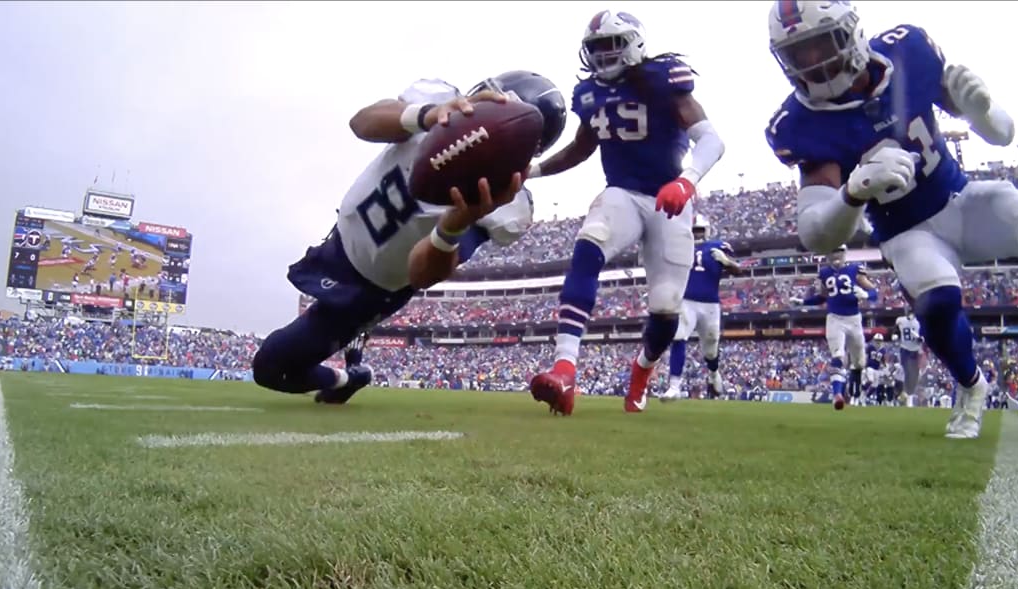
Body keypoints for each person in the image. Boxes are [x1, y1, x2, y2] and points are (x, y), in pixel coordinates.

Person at [763, 1, 1018, 440]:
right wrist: (852, 193)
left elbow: (1002, 135)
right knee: (936, 304)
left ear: (850, 32)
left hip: (959, 198)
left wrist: (983, 112)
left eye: (819, 46)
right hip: (906, 231)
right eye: (798, 55)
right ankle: (971, 388)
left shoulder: (908, 50)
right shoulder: (799, 123)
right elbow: (815, 235)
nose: (813, 64)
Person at [251, 72, 566, 404]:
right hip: (341, 243)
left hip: (372, 291)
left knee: (271, 366)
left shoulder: (506, 204)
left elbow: (420, 275)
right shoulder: (440, 101)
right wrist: (427, 116)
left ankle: (348, 377)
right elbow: (361, 123)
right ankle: (348, 372)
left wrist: (456, 224)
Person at [526, 10, 726, 415]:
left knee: (667, 309)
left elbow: (711, 139)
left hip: (671, 200)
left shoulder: (662, 78)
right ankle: (565, 368)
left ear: (634, 43)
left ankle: (642, 371)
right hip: (623, 192)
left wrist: (686, 180)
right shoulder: (588, 94)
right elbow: (581, 148)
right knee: (590, 241)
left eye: (611, 45)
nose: (603, 55)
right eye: (596, 48)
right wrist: (531, 171)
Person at [660, 213, 741, 400]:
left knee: (711, 348)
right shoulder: (680, 246)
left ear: (707, 230)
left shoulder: (718, 246)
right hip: (686, 301)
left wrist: (727, 262)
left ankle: (713, 375)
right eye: (694, 230)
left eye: (699, 230)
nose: (697, 235)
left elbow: (739, 270)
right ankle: (674, 386)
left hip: (710, 304)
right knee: (679, 338)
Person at [789, 246, 877, 409]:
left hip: (854, 319)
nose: (836, 254)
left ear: (844, 252)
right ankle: (837, 394)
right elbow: (822, 297)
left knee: (859, 362)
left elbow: (874, 292)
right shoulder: (824, 273)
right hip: (835, 318)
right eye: (833, 251)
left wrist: (866, 295)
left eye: (839, 251)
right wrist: (803, 302)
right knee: (838, 355)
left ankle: (855, 389)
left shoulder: (854, 269)